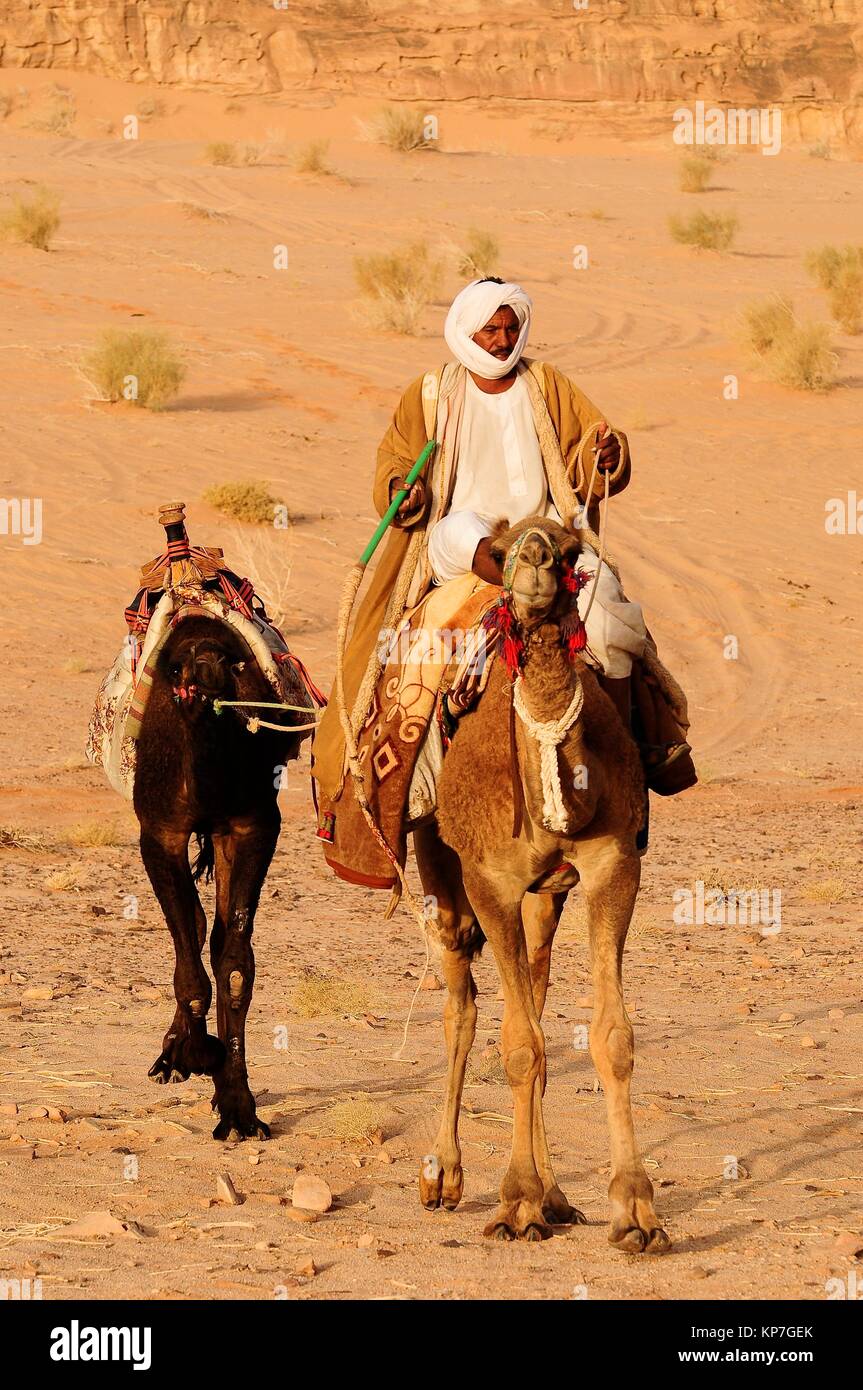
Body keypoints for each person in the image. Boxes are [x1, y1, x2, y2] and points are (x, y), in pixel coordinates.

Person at [313, 276, 695, 826]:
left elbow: (589, 452)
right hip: (458, 543)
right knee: (420, 641)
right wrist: (405, 491)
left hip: (546, 536)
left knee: (611, 617)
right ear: (467, 331)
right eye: (490, 329)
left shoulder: (546, 384)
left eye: (511, 328)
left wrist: (605, 453)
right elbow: (394, 464)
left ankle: (630, 755)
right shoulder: (429, 392)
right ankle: (406, 789)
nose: (501, 340)